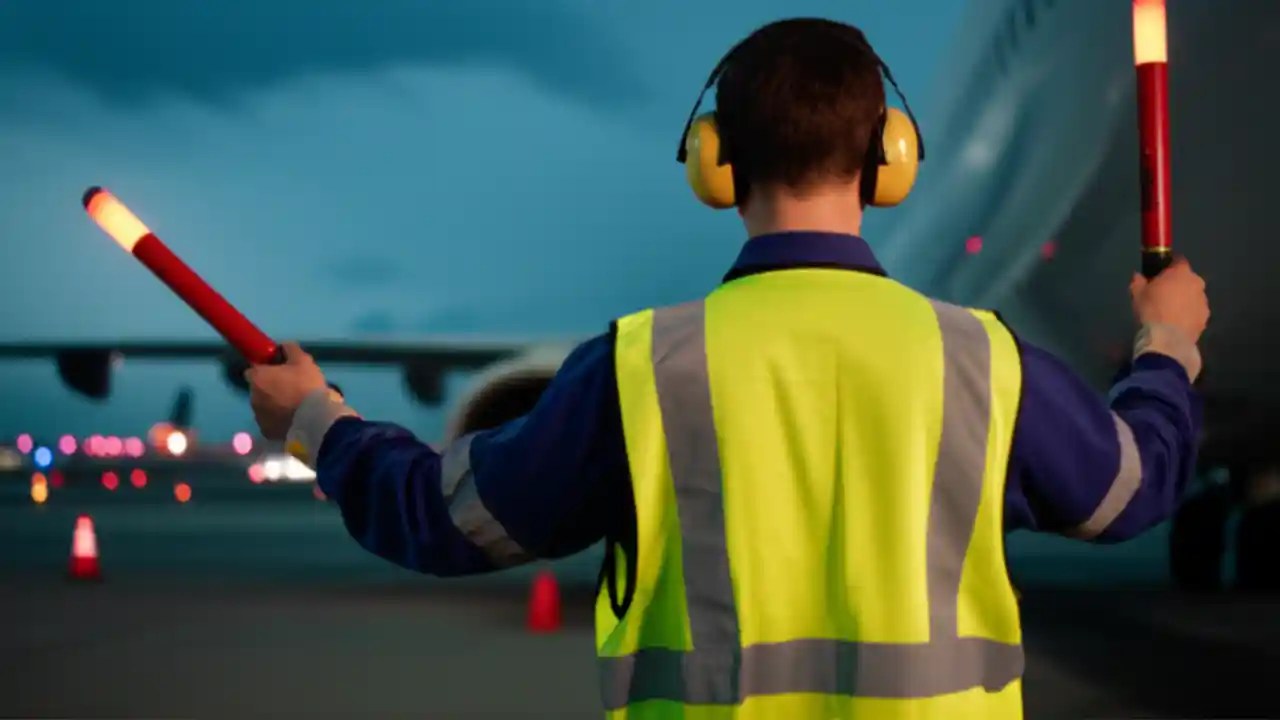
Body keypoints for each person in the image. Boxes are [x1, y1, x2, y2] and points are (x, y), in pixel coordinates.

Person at [246, 18, 1210, 719]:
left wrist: (316, 420)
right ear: (889, 161)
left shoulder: (638, 366)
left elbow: (442, 520)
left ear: (715, 163)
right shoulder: (981, 359)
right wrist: (1165, 345)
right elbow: (1135, 488)